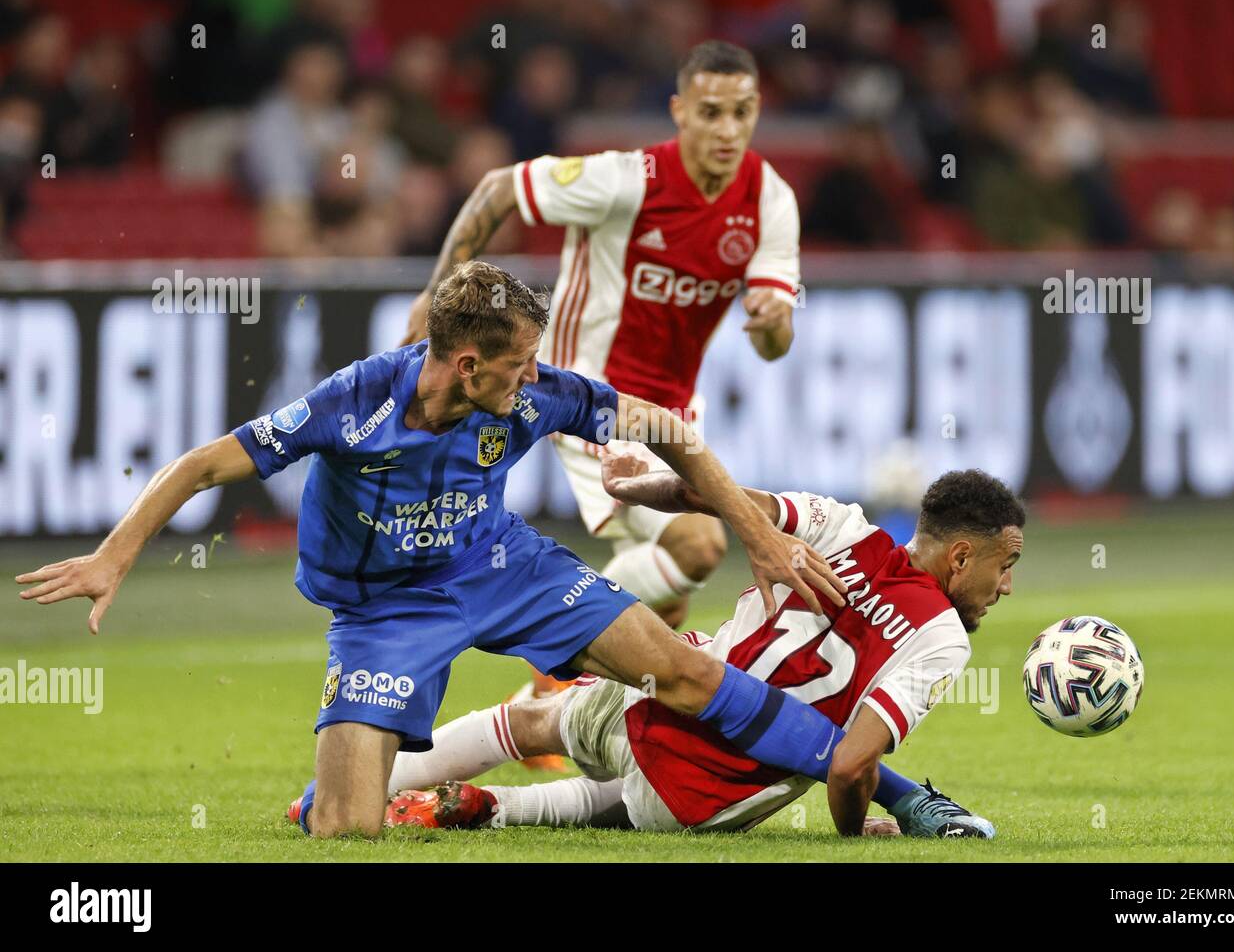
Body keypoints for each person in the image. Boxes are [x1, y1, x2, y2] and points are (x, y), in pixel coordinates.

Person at [17, 261, 856, 840]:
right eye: (520, 366)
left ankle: (886, 789)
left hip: (501, 568)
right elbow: (203, 464)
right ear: (465, 365)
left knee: (681, 670)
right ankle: (345, 777)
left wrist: (760, 537)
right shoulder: (353, 400)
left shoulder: (536, 396)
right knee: (346, 827)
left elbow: (668, 429)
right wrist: (113, 558)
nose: (534, 379)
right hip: (385, 610)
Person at [383, 455, 1024, 838]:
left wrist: (642, 485)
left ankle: (353, 785)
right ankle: (494, 809)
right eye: (1005, 566)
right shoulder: (939, 636)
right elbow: (851, 766)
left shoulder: (844, 525)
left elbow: (711, 495)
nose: (1008, 587)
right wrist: (856, 831)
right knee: (630, 806)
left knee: (531, 722)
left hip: (655, 693)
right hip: (703, 796)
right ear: (962, 555)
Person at [399, 41, 799, 631]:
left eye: (741, 112)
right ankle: (545, 640)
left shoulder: (770, 200)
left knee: (667, 613)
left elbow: (774, 347)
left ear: (758, 111)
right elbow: (499, 188)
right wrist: (436, 293)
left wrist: (774, 322)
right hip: (592, 396)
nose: (727, 129)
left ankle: (561, 698)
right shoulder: (627, 180)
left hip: (673, 413)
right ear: (679, 111)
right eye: (711, 112)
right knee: (700, 546)